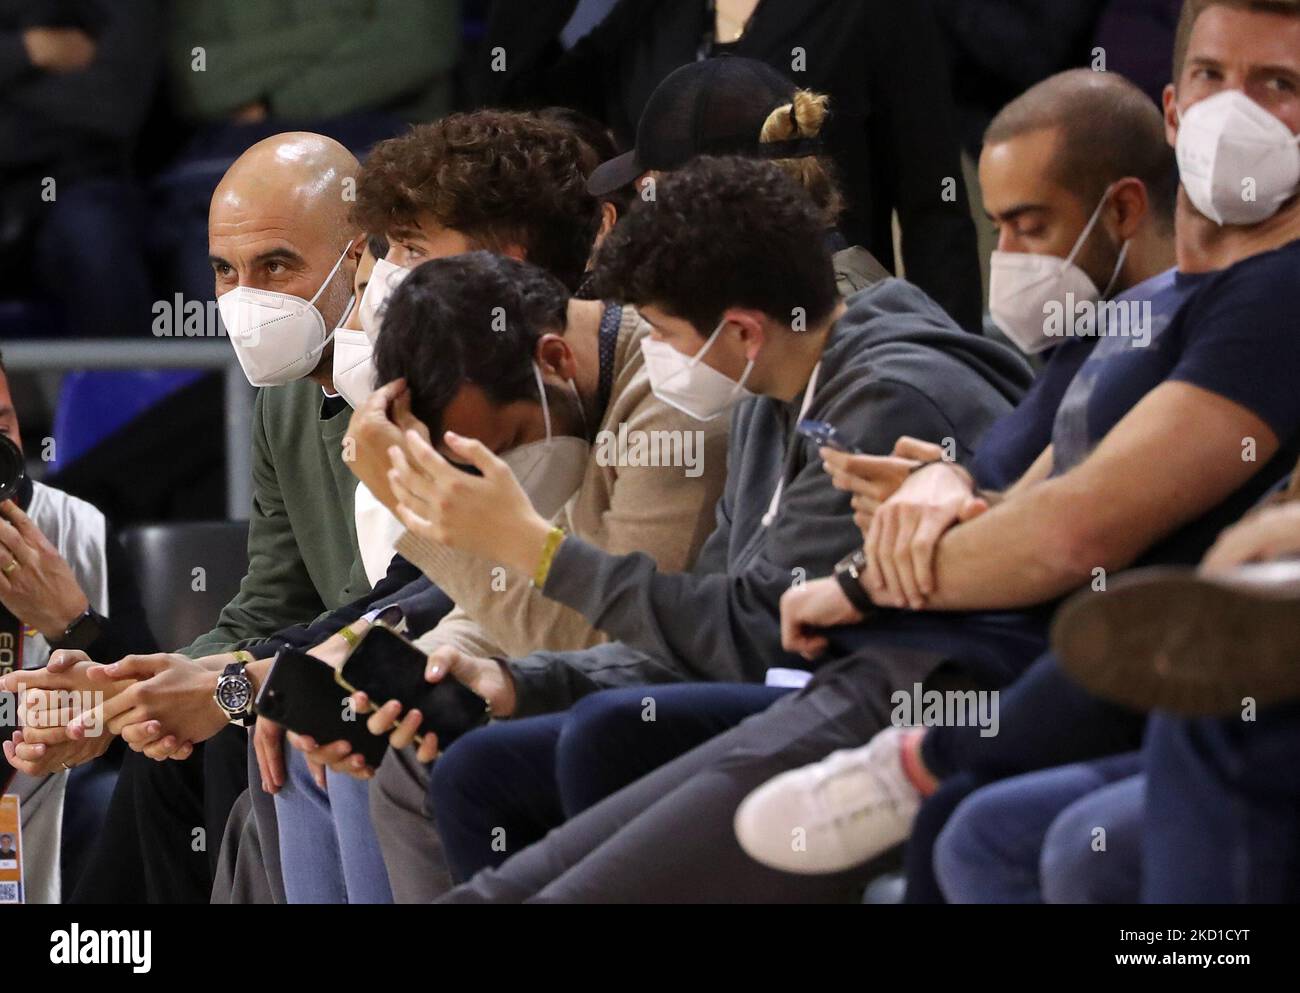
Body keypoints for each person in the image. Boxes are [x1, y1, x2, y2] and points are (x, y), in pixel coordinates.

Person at [735, 0, 1300, 900]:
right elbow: (1026, 496)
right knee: (593, 734)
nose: (1238, 111)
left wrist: (859, 581)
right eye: (1213, 76)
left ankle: (926, 759)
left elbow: (1072, 535)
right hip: (974, 644)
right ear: (1173, 104)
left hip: (1038, 656)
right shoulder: (1147, 311)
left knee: (1020, 830)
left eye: (1281, 85)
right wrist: (937, 489)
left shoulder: (1277, 295)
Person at [356, 154, 1030, 895]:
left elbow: (753, 635)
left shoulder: (884, 400)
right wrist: (519, 682)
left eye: (666, 334)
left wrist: (533, 547)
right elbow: (712, 616)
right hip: (806, 686)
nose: (661, 359)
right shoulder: (771, 396)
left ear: (741, 331)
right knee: (481, 768)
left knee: (608, 736)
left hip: (905, 700)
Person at [10, 132, 372, 904]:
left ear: (362, 255)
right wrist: (122, 691)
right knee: (169, 749)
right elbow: (268, 607)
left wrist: (219, 688)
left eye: (275, 265)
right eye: (223, 271)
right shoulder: (283, 400)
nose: (247, 297)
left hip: (377, 684)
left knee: (210, 745)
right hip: (301, 681)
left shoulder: (423, 386)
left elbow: (380, 616)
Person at [471, 0, 985, 330]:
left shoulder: (876, 13)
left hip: (810, 312)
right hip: (662, 319)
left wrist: (953, 363)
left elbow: (932, 209)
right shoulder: (655, 12)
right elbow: (524, 102)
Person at [0, 350, 156, 902]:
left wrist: (71, 622)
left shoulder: (76, 526)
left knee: (128, 793)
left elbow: (151, 725)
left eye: (3, 426)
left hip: (55, 795)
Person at [0, 0, 160, 337]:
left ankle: (125, 387)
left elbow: (113, 105)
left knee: (94, 232)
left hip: (76, 179)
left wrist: (11, 87)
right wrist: (29, 51)